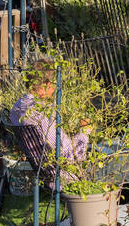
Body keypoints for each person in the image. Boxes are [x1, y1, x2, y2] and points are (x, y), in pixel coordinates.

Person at [9, 61, 91, 189]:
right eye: (54, 85)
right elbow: (69, 156)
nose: (55, 90)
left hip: (42, 172)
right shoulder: (42, 113)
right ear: (47, 85)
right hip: (61, 176)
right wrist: (84, 131)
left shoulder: (16, 108)